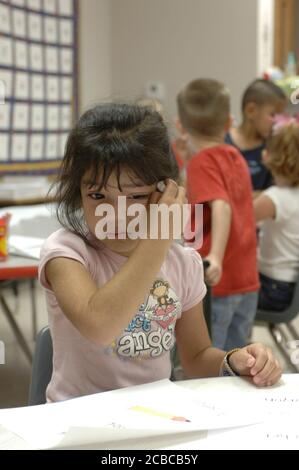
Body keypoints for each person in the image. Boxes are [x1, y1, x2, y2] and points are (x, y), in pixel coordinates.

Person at [39, 103, 281, 402]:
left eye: (136, 196)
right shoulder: (66, 252)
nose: (116, 214)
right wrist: (160, 235)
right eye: (98, 195)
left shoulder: (182, 263)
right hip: (77, 428)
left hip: (157, 419)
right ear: (79, 192)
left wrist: (233, 361)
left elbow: (196, 356)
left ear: (168, 193)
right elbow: (100, 325)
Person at [176, 78, 260, 351]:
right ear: (228, 123)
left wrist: (215, 256)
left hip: (217, 284)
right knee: (237, 363)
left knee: (209, 363)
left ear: (180, 125)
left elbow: (221, 206)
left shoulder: (202, 163)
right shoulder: (235, 157)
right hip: (246, 281)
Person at [254, 120, 299, 311]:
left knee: (216, 295)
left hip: (271, 288)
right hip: (288, 287)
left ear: (268, 156)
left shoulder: (274, 198)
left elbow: (240, 218)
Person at [225, 79, 287, 196]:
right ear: (251, 111)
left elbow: (275, 195)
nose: (276, 121)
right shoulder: (222, 142)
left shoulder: (272, 150)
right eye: (272, 114)